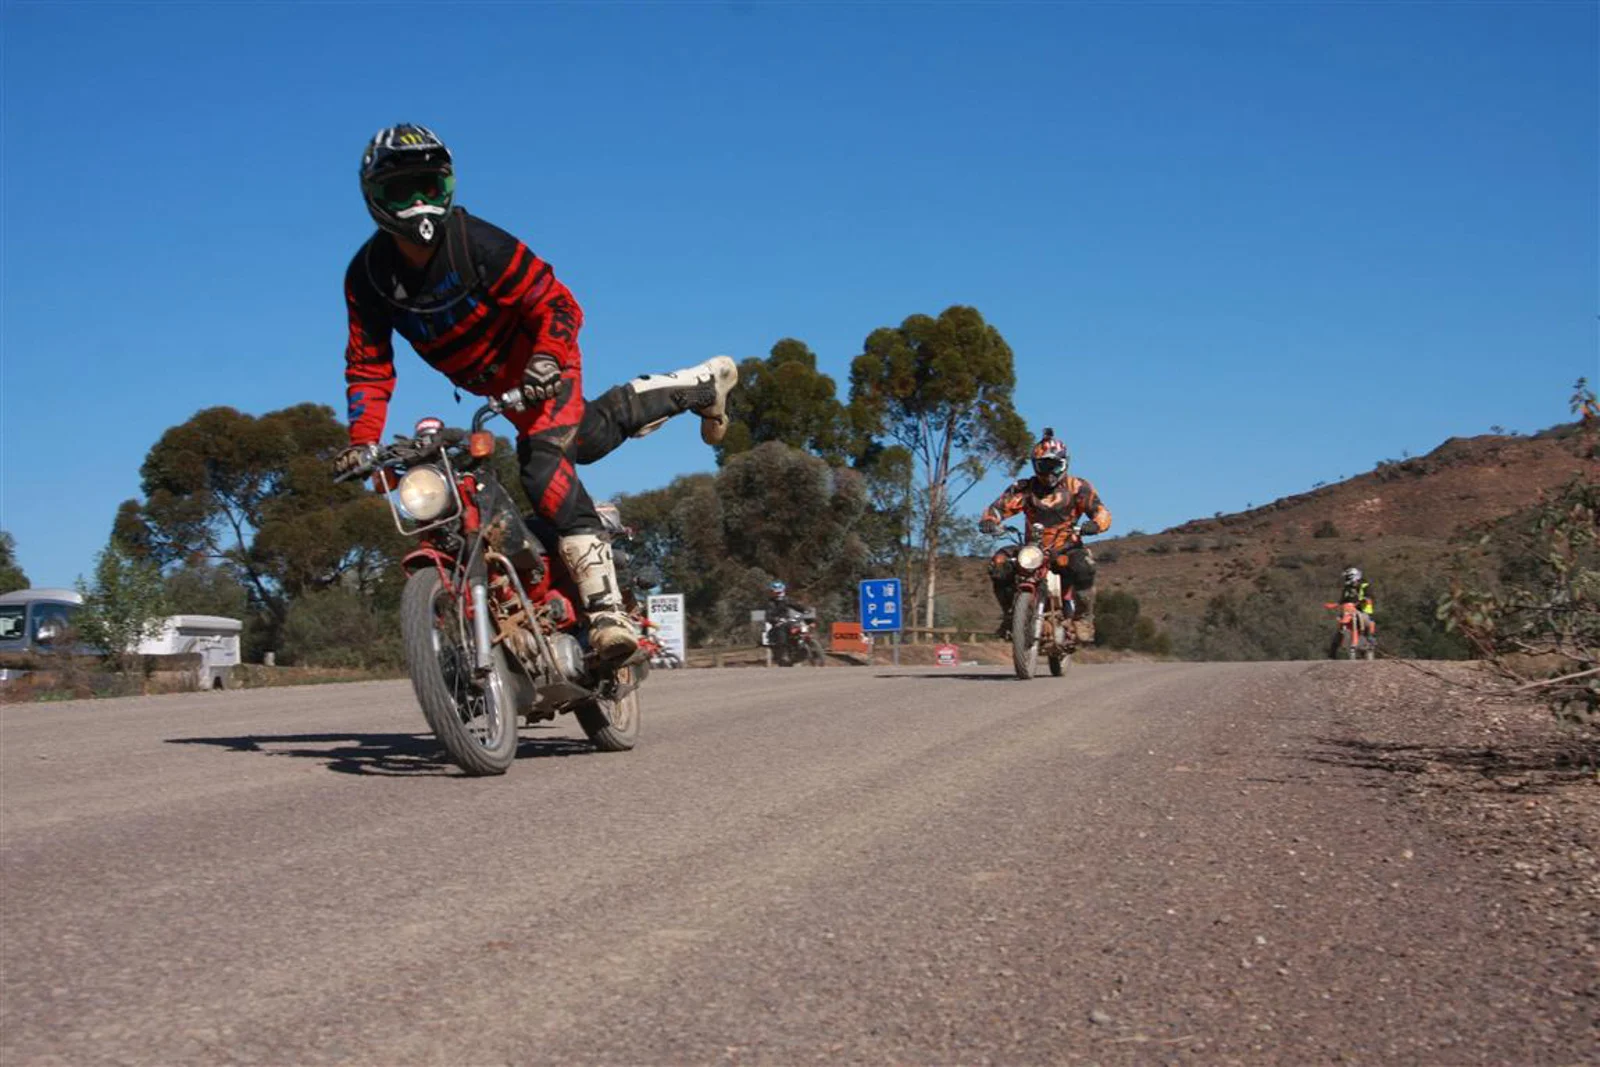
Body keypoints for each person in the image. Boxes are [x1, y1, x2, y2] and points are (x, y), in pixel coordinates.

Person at [333, 124, 737, 664]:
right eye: (401, 191)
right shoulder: (366, 278)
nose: (419, 204)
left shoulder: (480, 244)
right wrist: (363, 442)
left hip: (544, 362)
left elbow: (560, 305)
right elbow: (368, 366)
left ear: (449, 185)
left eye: (429, 186)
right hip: (495, 385)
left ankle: (607, 614)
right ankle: (699, 385)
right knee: (585, 440)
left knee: (542, 467)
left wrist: (546, 358)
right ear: (373, 199)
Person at [978, 428, 1112, 642]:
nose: (1049, 473)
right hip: (1032, 549)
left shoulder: (1077, 487)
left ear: (1064, 464)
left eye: (1054, 466)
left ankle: (1083, 618)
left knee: (1085, 565)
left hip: (1067, 546)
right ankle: (1011, 616)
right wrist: (989, 521)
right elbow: (998, 507)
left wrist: (1096, 524)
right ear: (1035, 465)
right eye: (1044, 466)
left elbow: (1100, 510)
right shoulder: (1024, 488)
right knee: (999, 562)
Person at [763, 581, 811, 654]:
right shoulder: (770, 603)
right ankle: (784, 652)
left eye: (780, 592)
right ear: (772, 592)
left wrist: (805, 609)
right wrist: (776, 619)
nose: (778, 594)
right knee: (781, 629)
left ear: (783, 590)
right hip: (777, 623)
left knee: (800, 625)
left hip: (788, 620)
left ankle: (804, 641)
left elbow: (796, 605)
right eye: (776, 592)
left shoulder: (787, 599)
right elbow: (768, 615)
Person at [1335, 566, 1377, 649]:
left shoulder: (1364, 586)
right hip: (1349, 610)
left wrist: (1365, 599)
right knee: (1339, 619)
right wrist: (1337, 604)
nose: (1346, 579)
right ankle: (1337, 643)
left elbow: (1369, 596)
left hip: (1363, 610)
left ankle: (1370, 637)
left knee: (1368, 621)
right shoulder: (1347, 588)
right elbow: (1343, 599)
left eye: (1348, 577)